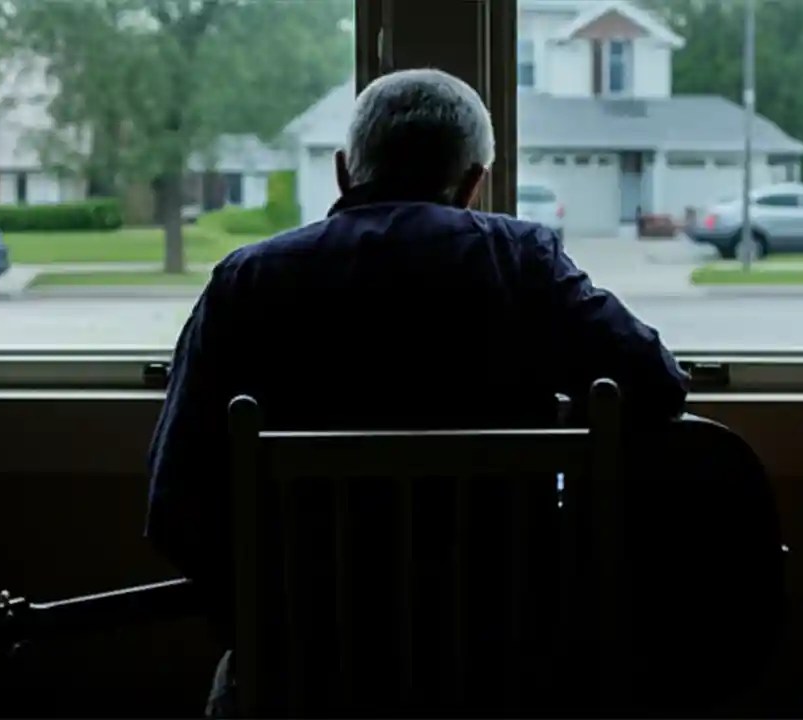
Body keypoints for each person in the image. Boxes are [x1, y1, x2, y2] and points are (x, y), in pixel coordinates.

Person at [145, 67, 689, 715]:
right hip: (507, 681)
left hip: (303, 681)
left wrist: (274, 623)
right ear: (473, 183)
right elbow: (659, 386)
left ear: (346, 170)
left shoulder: (248, 283)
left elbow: (175, 507)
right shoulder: (522, 264)